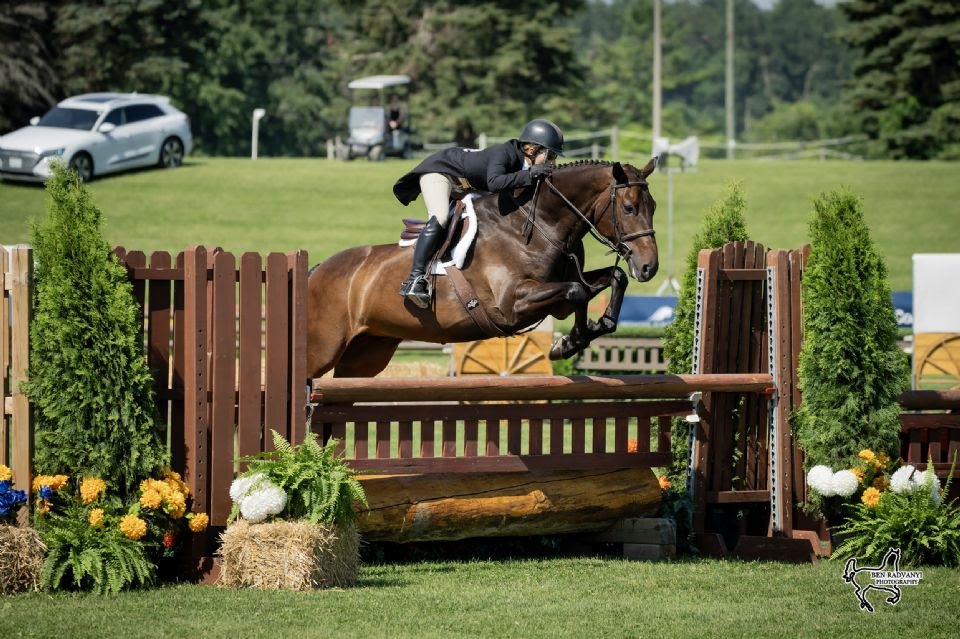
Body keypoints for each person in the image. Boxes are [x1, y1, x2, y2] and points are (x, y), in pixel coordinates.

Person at [393, 118, 565, 308]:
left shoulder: (521, 162)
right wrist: (531, 174)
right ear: (532, 149)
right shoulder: (505, 153)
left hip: (467, 184)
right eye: (550, 156)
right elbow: (495, 183)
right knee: (441, 216)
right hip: (441, 173)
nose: (552, 162)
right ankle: (414, 279)